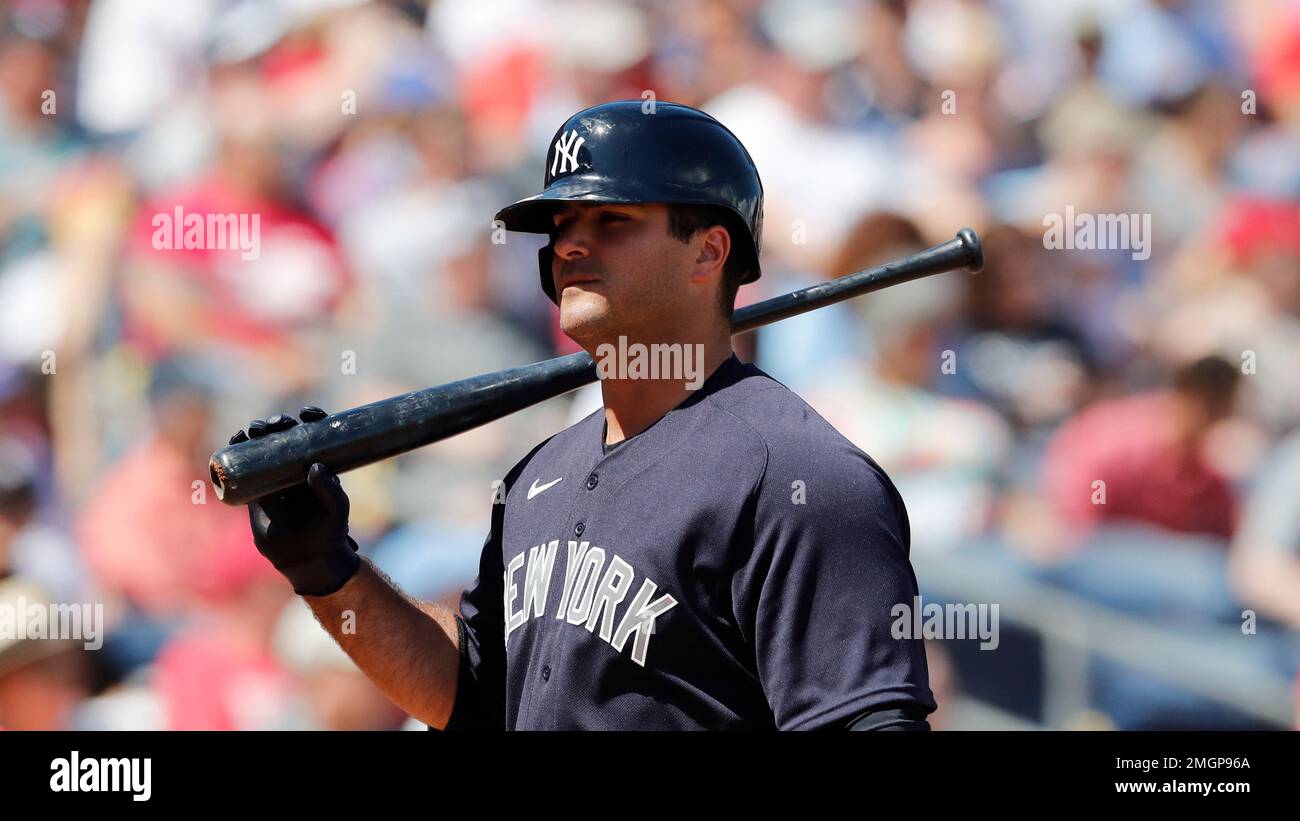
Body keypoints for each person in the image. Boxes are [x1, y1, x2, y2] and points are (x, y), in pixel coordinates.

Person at [230, 101, 935, 730]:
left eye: (612, 219)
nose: (569, 243)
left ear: (708, 251)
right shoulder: (541, 471)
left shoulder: (795, 476)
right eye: (562, 222)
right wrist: (326, 567)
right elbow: (474, 696)